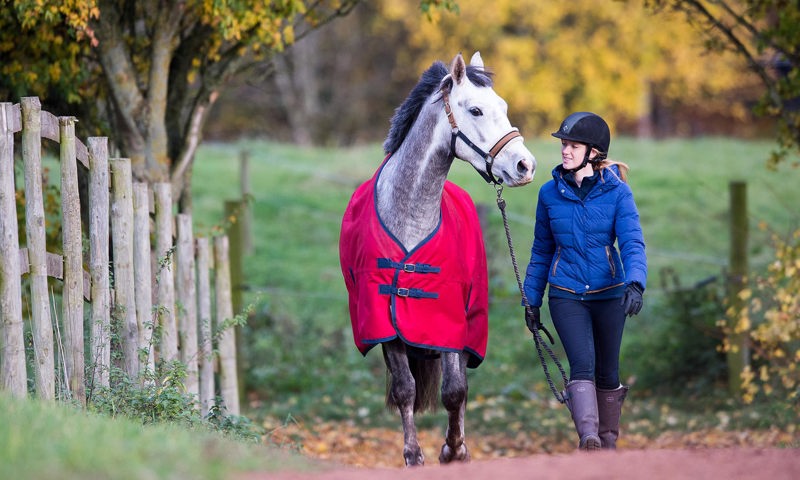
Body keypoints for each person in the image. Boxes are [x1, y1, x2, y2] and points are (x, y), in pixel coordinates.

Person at [522, 111, 647, 451]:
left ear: (593, 152)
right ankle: (588, 437)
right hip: (566, 294)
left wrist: (635, 282)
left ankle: (607, 444)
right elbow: (541, 250)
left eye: (572, 145)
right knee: (582, 364)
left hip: (609, 294)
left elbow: (632, 241)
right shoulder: (549, 194)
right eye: (563, 144)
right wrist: (531, 299)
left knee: (608, 371)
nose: (564, 151)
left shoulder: (618, 193)